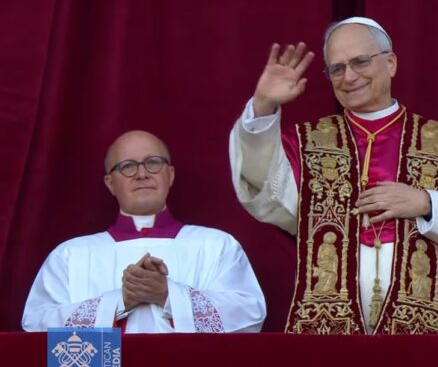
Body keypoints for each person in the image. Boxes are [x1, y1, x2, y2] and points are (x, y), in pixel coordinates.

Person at [228, 17, 438, 334]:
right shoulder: (304, 145)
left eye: (360, 62)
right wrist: (263, 106)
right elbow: (264, 190)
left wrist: (428, 203)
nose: (349, 77)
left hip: (427, 327)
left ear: (390, 63)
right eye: (337, 68)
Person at [23, 130, 266, 333]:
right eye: (127, 166)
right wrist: (119, 302)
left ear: (170, 175)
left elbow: (250, 316)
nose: (142, 174)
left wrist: (169, 295)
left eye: (153, 163)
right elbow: (36, 326)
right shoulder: (70, 255)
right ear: (110, 183)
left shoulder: (217, 246)